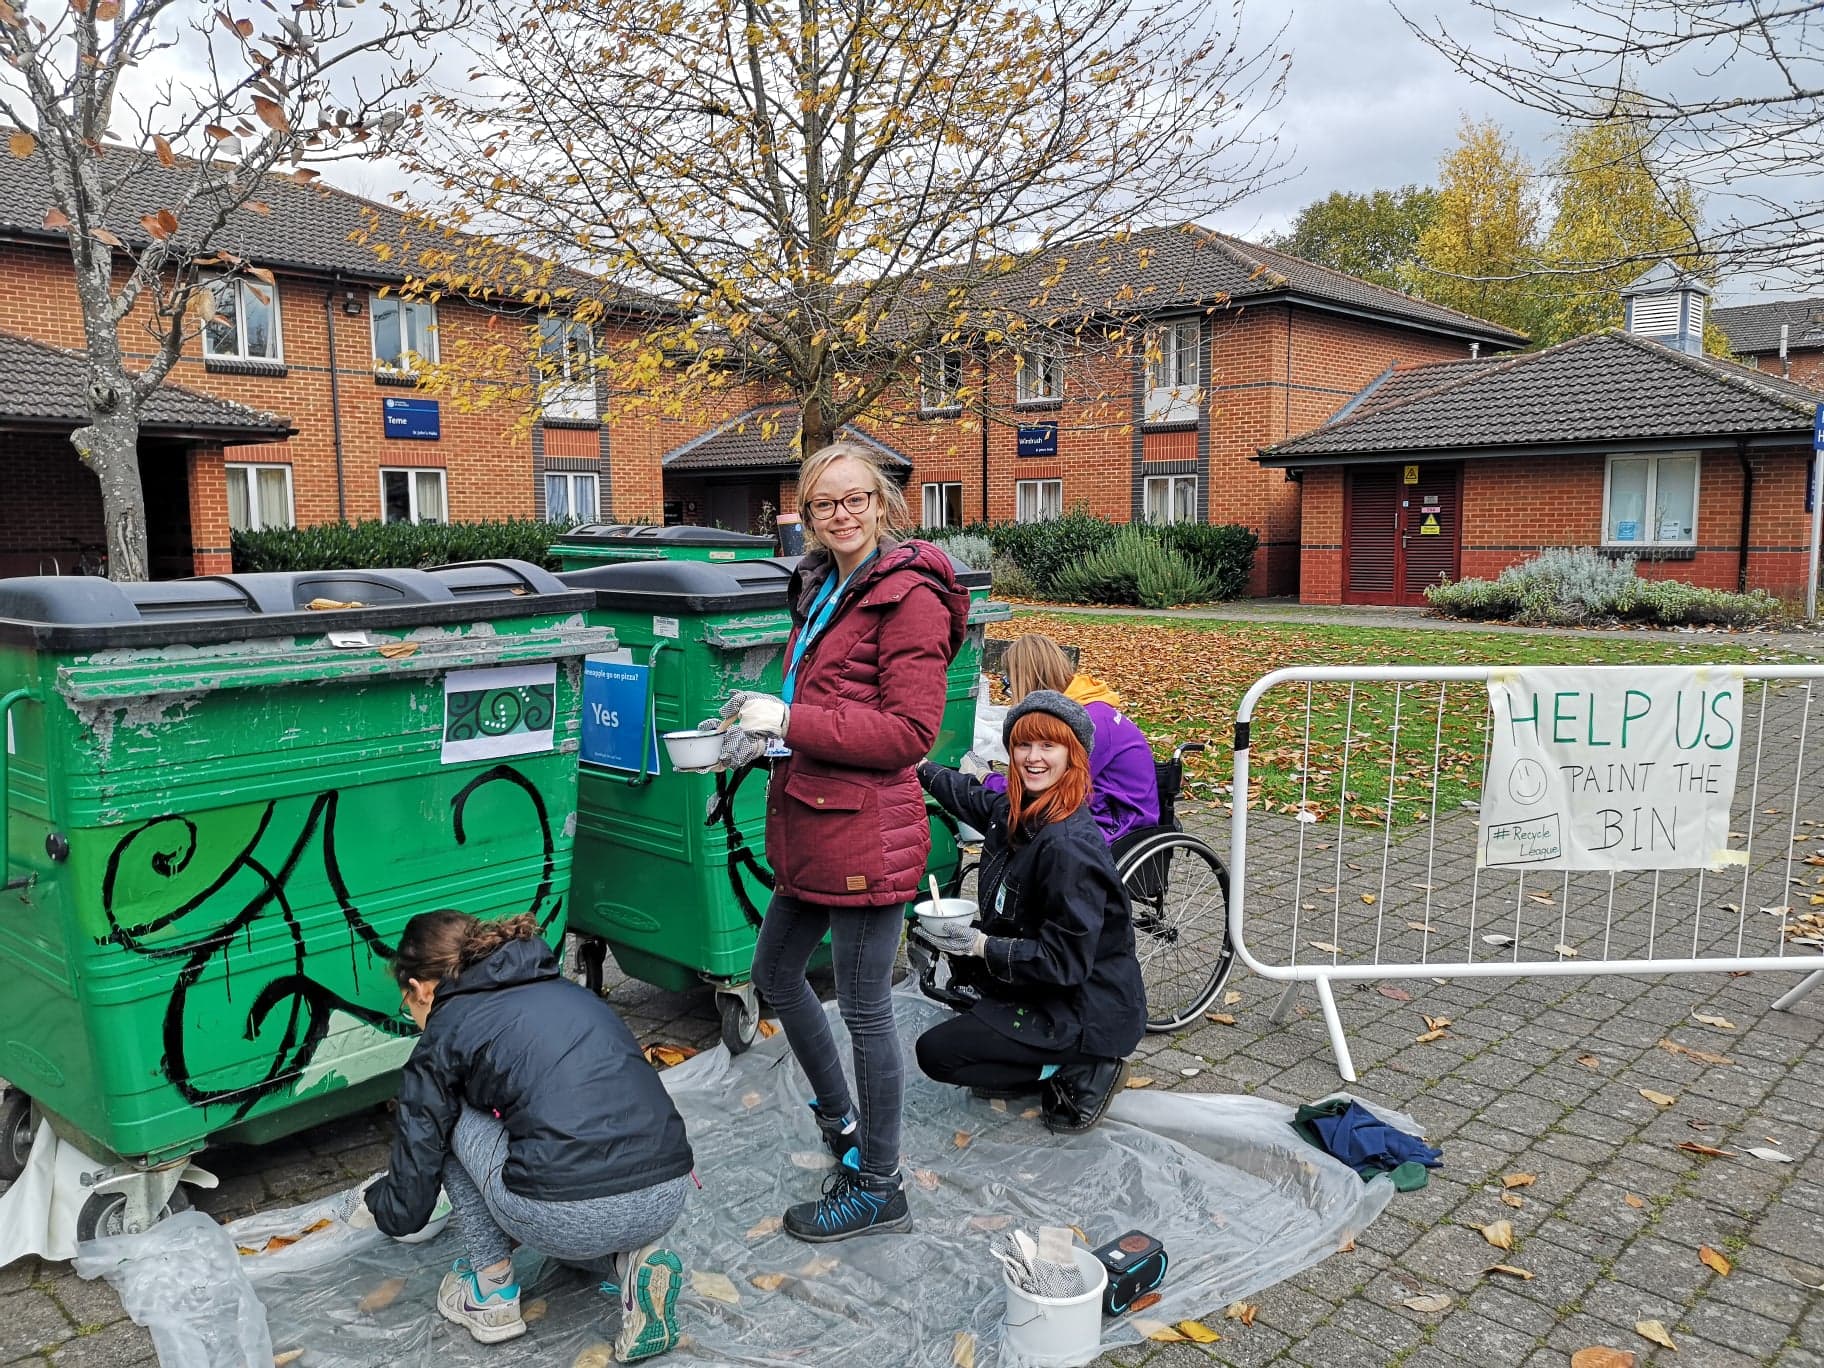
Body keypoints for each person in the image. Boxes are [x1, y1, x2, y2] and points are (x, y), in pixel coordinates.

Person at [714, 440, 967, 1242]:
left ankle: (881, 1184)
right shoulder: (825, 583)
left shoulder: (910, 596)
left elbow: (907, 733)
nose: (843, 515)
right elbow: (825, 697)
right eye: (826, 505)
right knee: (775, 974)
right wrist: (767, 734)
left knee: (864, 1011)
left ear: (884, 503)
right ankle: (842, 1122)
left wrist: (791, 720)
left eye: (856, 499)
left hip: (866, 831)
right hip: (811, 813)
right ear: (809, 516)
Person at [363, 912, 694, 1362]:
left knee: (449, 1115)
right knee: (540, 1127)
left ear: (421, 988)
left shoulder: (448, 1030)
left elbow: (411, 1196)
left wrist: (377, 1202)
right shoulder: (564, 992)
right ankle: (631, 1266)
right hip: (666, 1193)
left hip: (567, 1212)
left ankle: (490, 1294)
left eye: (408, 1003)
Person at [912, 690, 1146, 1133]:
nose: (1033, 758)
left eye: (1048, 746)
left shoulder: (1068, 847)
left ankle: (1079, 1068)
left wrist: (983, 946)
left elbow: (1065, 962)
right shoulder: (1022, 812)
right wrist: (920, 767)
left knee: (936, 1054)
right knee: (960, 1000)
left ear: (1073, 756)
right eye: (1023, 745)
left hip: (1085, 1009)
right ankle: (1034, 1059)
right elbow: (971, 797)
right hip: (1043, 989)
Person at [989, 632, 1159, 845]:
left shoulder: (1088, 724)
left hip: (1120, 826)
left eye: (1009, 684)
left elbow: (1044, 790)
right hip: (1105, 807)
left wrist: (985, 779)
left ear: (1025, 681)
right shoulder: (1084, 706)